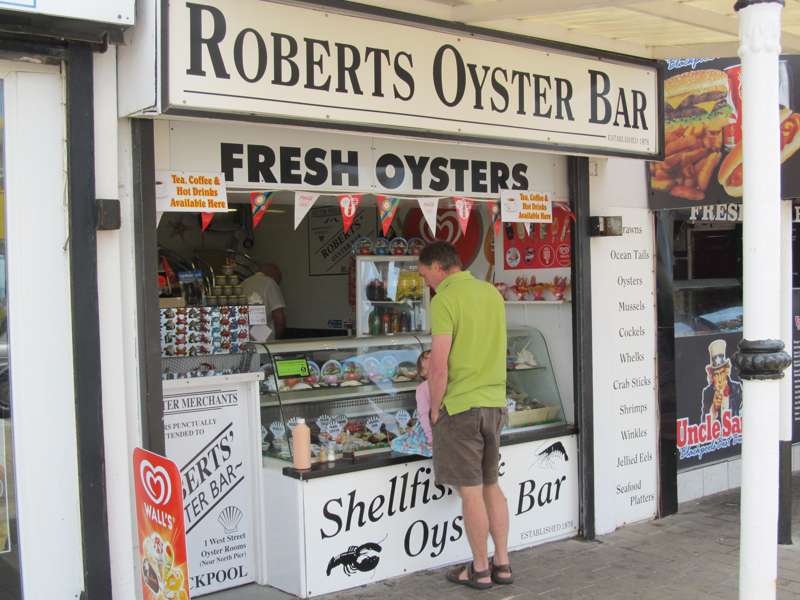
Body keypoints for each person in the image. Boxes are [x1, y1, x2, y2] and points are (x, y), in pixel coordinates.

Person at [417, 241, 511, 589]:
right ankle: (502, 563)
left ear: (439, 267)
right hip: (494, 403)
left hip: (461, 408)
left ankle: (480, 569)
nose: (427, 282)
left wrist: (435, 407)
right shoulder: (491, 294)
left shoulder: (444, 299)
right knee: (492, 486)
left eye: (426, 275)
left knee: (471, 493)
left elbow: (438, 366)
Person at [390, 350, 433, 457]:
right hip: (430, 432)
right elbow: (424, 415)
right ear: (422, 372)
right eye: (428, 358)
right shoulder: (422, 388)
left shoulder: (445, 383)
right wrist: (431, 438)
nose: (434, 360)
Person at [700, 339, 742, 422]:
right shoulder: (707, 392)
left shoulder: (737, 388)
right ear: (712, 375)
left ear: (726, 371)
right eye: (716, 374)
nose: (719, 378)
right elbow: (703, 424)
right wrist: (713, 409)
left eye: (721, 372)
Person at [241, 263, 286, 340]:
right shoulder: (270, 282)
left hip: (243, 336)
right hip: (264, 339)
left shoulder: (243, 283)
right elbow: (279, 319)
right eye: (278, 279)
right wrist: (276, 340)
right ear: (274, 275)